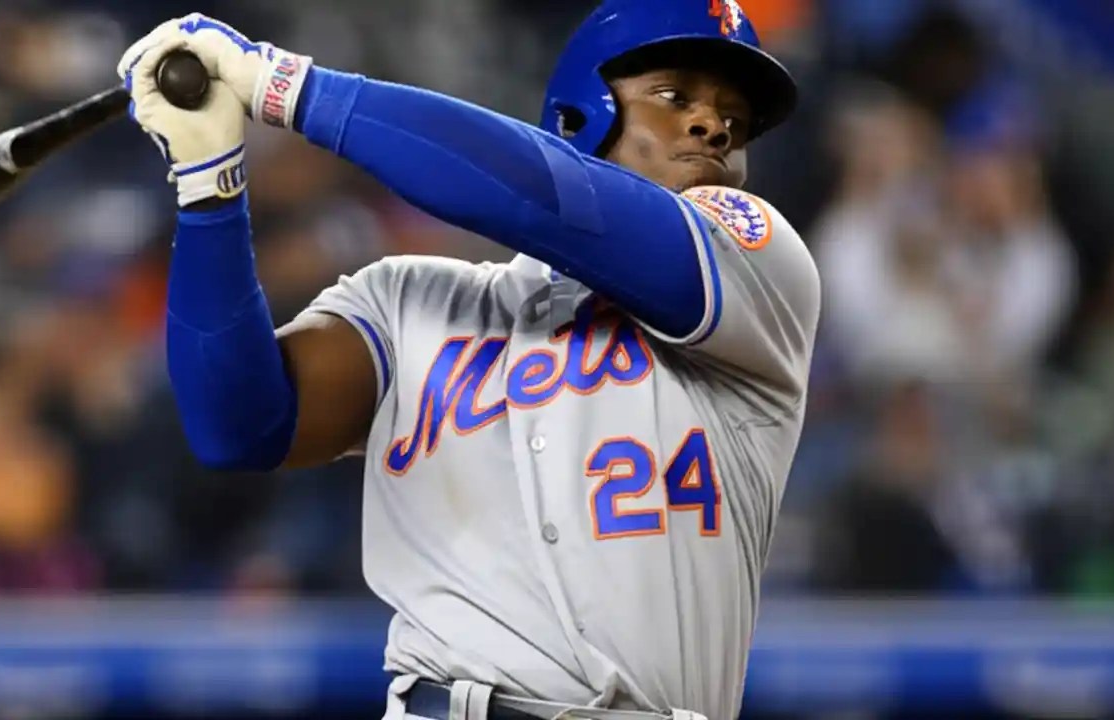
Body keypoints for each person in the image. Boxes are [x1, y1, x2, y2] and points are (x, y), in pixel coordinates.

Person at [117, 1, 820, 718]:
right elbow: (235, 425)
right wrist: (209, 190)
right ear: (580, 112)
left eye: (736, 118)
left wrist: (290, 88)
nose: (713, 126)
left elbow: (545, 198)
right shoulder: (409, 299)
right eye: (675, 97)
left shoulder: (761, 269)